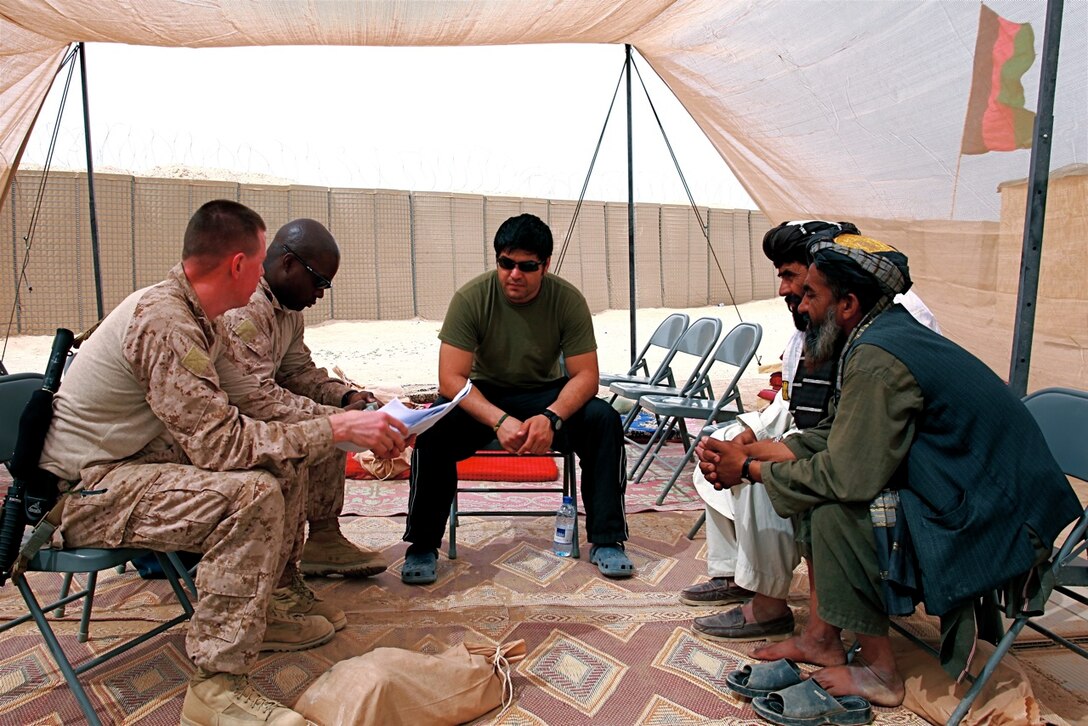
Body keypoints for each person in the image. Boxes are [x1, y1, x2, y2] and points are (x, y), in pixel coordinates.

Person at [38, 200, 410, 725]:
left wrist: (346, 420)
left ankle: (269, 607)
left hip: (126, 467)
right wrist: (339, 427)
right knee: (249, 494)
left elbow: (257, 407)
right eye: (259, 263)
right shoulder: (166, 320)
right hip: (80, 494)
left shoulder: (198, 319)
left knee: (284, 461)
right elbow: (220, 446)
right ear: (240, 265)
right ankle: (214, 688)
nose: (261, 276)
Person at [696, 231, 1081, 707]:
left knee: (838, 508)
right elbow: (842, 436)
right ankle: (821, 638)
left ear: (848, 303)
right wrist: (754, 454)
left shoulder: (878, 355)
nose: (801, 304)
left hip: (998, 519)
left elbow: (848, 477)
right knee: (814, 492)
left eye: (812, 294)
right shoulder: (875, 336)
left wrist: (750, 472)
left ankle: (880, 673)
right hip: (967, 490)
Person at [684, 221, 939, 645]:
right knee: (724, 447)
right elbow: (805, 408)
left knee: (763, 479)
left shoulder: (882, 333)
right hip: (838, 434)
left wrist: (755, 463)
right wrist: (749, 440)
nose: (787, 293)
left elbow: (855, 447)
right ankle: (742, 574)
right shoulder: (828, 318)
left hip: (908, 462)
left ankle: (773, 606)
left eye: (791, 276)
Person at [401, 213, 631, 584]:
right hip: (486, 394)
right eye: (506, 264)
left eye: (527, 266)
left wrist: (552, 417)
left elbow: (587, 376)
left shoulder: (567, 300)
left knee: (604, 420)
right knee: (433, 430)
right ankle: (422, 545)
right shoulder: (472, 298)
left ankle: (608, 540)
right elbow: (450, 379)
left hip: (547, 394)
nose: (514, 274)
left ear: (546, 266)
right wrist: (498, 420)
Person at [219, 218, 388, 580]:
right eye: (319, 281)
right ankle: (279, 578)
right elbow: (256, 398)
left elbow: (298, 374)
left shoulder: (288, 311)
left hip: (255, 412)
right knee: (325, 428)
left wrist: (345, 397)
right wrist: (334, 418)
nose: (321, 293)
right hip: (230, 427)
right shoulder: (246, 310)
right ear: (289, 264)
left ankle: (324, 538)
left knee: (330, 421)